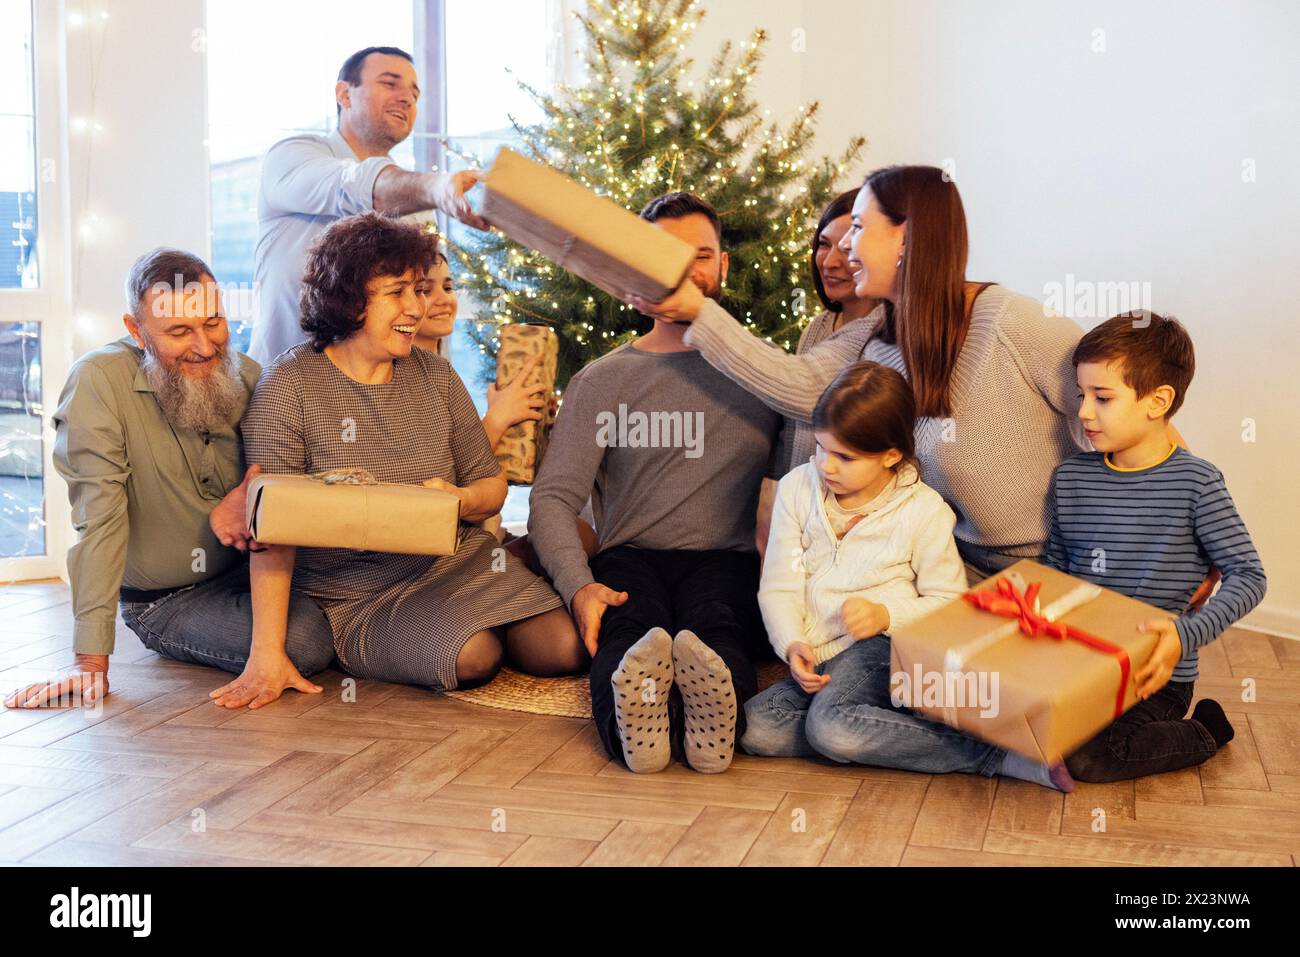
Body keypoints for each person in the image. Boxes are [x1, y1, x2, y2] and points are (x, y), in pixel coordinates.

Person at [631, 166, 1099, 581]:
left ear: (906, 238)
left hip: (1053, 567)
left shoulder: (1011, 323)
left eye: (857, 227)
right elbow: (803, 388)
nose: (844, 248)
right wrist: (699, 313)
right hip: (952, 566)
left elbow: (1127, 413)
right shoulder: (877, 338)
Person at [233, 213, 583, 709]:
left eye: (418, 290)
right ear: (349, 297)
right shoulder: (288, 387)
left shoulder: (437, 377)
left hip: (455, 562)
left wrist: (458, 501)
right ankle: (469, 630)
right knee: (476, 657)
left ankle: (492, 615)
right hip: (357, 596)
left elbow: (491, 486)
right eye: (398, 292)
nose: (417, 308)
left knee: (564, 649)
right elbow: (271, 531)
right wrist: (266, 652)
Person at [4, 248, 334, 711]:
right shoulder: (98, 382)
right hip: (167, 600)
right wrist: (89, 663)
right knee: (304, 640)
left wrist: (258, 499)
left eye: (213, 323)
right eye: (179, 332)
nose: (204, 346)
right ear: (136, 330)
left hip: (256, 574)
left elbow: (294, 480)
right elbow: (99, 522)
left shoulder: (251, 376)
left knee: (345, 602)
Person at [529, 193, 780, 774]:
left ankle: (713, 727)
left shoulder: (766, 374)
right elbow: (553, 497)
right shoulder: (604, 381)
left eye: (701, 255)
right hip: (631, 556)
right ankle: (631, 734)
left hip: (726, 559)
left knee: (716, 626)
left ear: (723, 265)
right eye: (665, 255)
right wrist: (579, 588)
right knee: (628, 628)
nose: (685, 270)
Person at [741, 363, 1074, 791]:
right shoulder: (796, 489)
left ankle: (995, 753)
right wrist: (792, 643)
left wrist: (885, 614)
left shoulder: (924, 510)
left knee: (831, 729)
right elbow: (780, 585)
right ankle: (886, 724)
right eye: (821, 448)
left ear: (891, 454)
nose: (827, 466)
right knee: (755, 728)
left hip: (883, 650)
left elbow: (949, 605)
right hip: (820, 655)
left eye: (845, 457)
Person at [1047, 312, 1266, 782]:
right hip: (1083, 664)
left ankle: (1206, 729)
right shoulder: (1070, 478)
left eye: (1103, 397)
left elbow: (1249, 577)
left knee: (1091, 758)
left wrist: (1185, 635)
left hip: (1156, 676)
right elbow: (1057, 570)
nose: (1083, 412)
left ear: (1158, 401)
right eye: (1081, 395)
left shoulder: (1197, 483)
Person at [249, 45, 488, 365]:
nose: (407, 98)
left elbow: (425, 308)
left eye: (415, 94)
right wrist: (435, 187)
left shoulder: (417, 203)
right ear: (344, 94)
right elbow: (350, 185)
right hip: (283, 381)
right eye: (390, 83)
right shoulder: (291, 157)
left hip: (383, 389)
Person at [756, 189, 881, 557]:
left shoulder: (884, 332)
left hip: (853, 524)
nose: (830, 261)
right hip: (802, 515)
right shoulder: (818, 327)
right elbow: (792, 427)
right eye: (824, 245)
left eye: (846, 247)